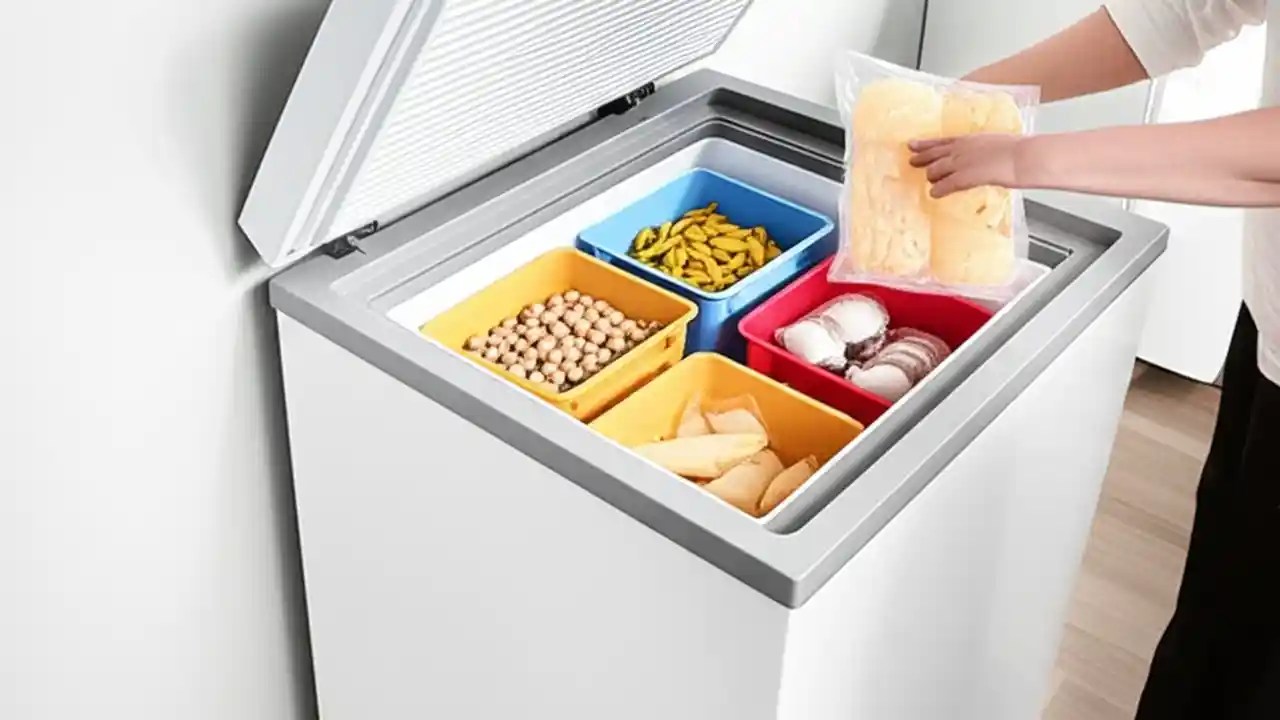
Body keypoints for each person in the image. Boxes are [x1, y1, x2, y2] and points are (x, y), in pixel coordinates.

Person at [908, 2, 1279, 717]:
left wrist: (1024, 157)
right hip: (1270, 316)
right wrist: (983, 93)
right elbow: (1190, 10)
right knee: (1220, 601)